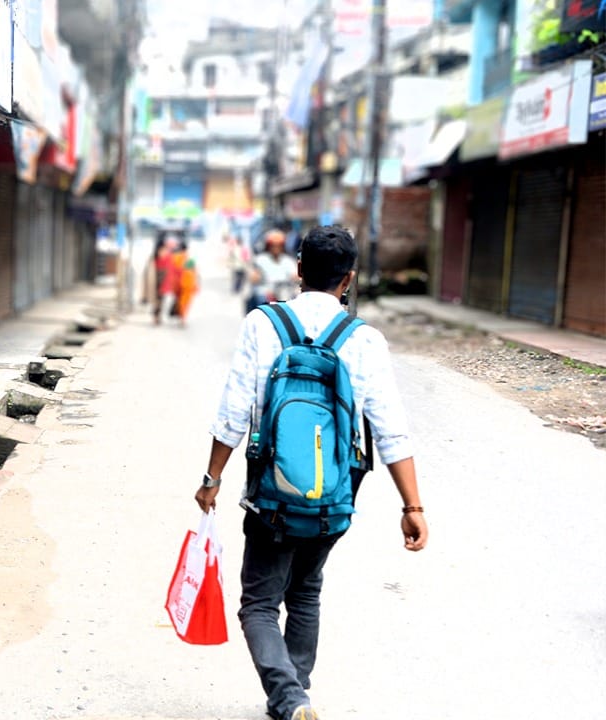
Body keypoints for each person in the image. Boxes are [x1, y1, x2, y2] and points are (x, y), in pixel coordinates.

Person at [194, 225, 428, 720]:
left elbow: (233, 412)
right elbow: (391, 431)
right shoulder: (364, 339)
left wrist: (211, 480)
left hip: (271, 494)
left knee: (260, 603)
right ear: (349, 278)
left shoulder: (263, 323)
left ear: (298, 269)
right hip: (334, 496)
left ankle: (289, 698)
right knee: (305, 590)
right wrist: (412, 507)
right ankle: (294, 695)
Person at [245, 230, 299, 314]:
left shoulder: (287, 260)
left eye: (279, 245)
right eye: (273, 245)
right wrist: (256, 276)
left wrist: (297, 277)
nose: (276, 248)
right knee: (261, 299)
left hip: (284, 291)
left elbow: (295, 274)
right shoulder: (260, 259)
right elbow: (253, 276)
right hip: (265, 291)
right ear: (268, 246)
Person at [171, 238, 200, 327]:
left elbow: (172, 272)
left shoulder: (175, 258)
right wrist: (196, 285)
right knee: (185, 302)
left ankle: (181, 317)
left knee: (180, 301)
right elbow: (194, 273)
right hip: (188, 285)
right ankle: (182, 318)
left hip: (178, 284)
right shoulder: (189, 259)